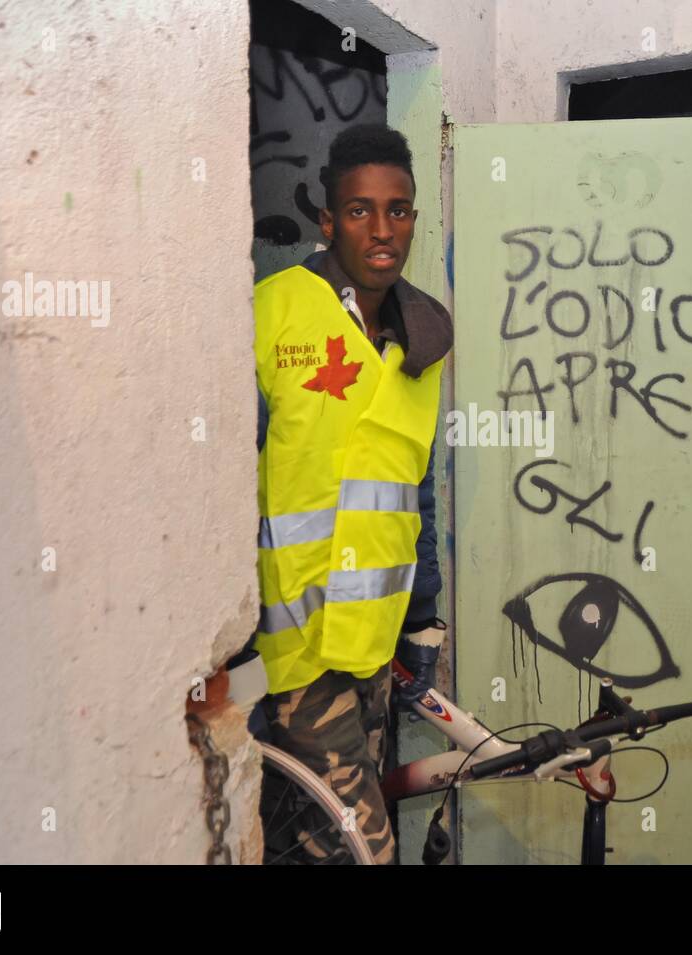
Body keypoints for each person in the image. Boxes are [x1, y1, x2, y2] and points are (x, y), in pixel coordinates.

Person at [250, 124, 452, 865]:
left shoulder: (421, 337)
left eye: (398, 210)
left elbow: (413, 489)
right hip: (296, 646)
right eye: (360, 211)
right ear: (328, 221)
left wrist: (422, 619)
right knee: (365, 849)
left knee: (310, 840)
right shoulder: (273, 313)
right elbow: (236, 479)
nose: (382, 229)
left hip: (374, 641)